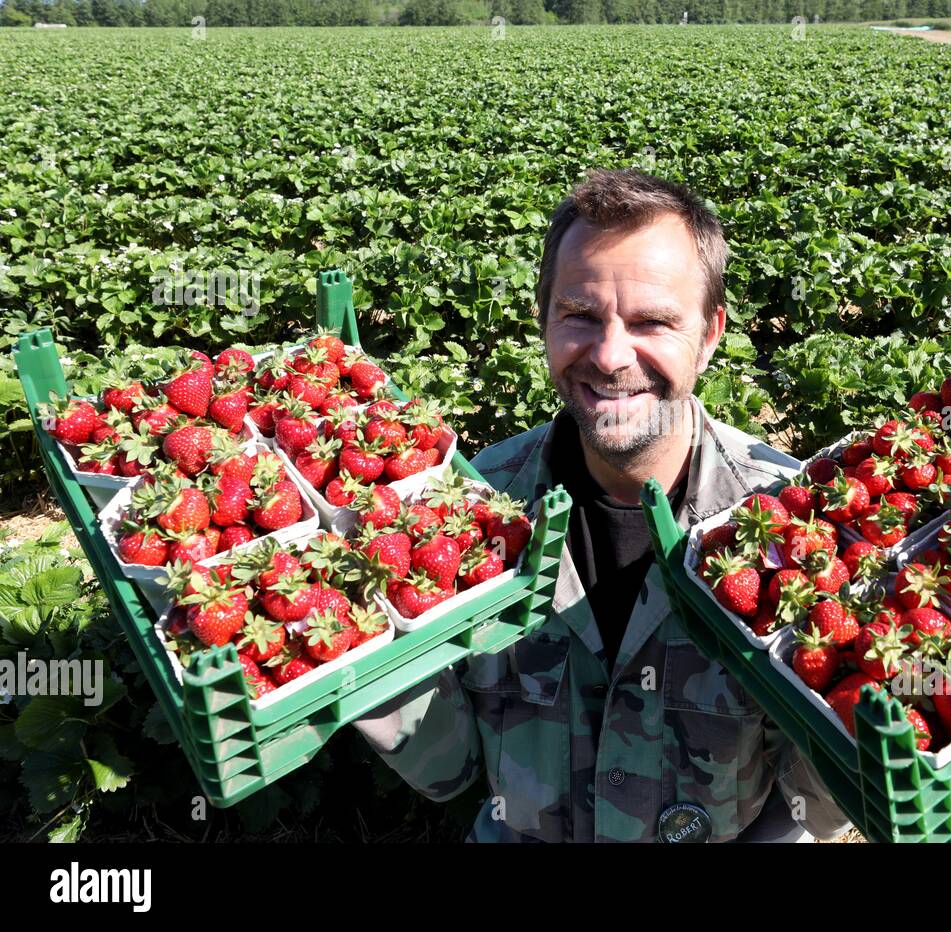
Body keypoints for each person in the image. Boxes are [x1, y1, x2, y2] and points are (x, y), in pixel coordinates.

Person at [353, 167, 849, 843]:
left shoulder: (791, 524)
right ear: (544, 320)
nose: (612, 355)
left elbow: (812, 789)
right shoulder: (468, 507)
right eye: (580, 316)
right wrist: (358, 650)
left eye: (653, 321)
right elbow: (451, 770)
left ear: (709, 334)